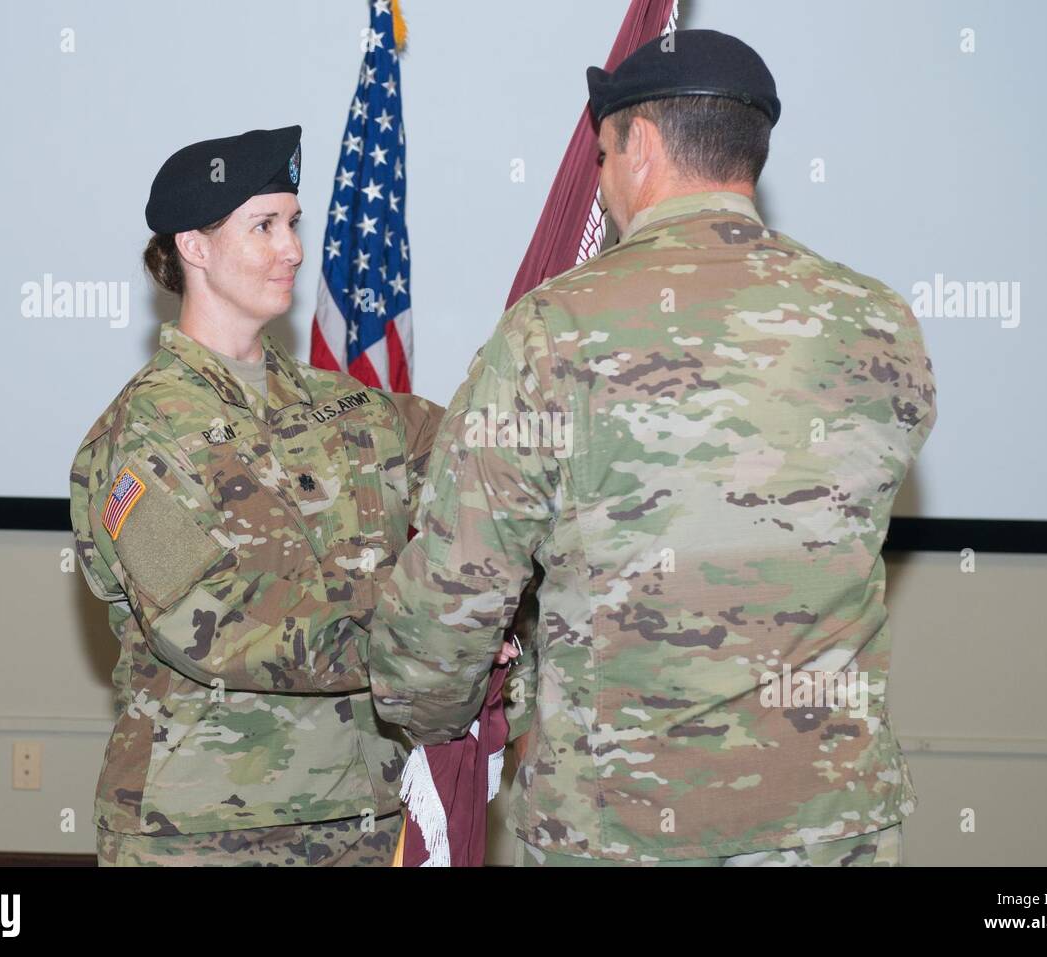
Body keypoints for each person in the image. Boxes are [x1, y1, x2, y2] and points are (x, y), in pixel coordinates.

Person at [368, 30, 936, 866]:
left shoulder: (554, 331)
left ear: (640, 144)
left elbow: (455, 593)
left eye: (601, 155)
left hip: (618, 829)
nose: (598, 184)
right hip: (831, 823)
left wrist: (432, 712)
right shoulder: (880, 323)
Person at [69, 125, 443, 865]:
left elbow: (489, 466)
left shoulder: (356, 412)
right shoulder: (138, 437)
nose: (294, 250)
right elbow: (213, 622)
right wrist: (429, 626)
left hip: (361, 821)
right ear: (194, 247)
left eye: (294, 224)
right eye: (264, 225)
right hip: (204, 834)